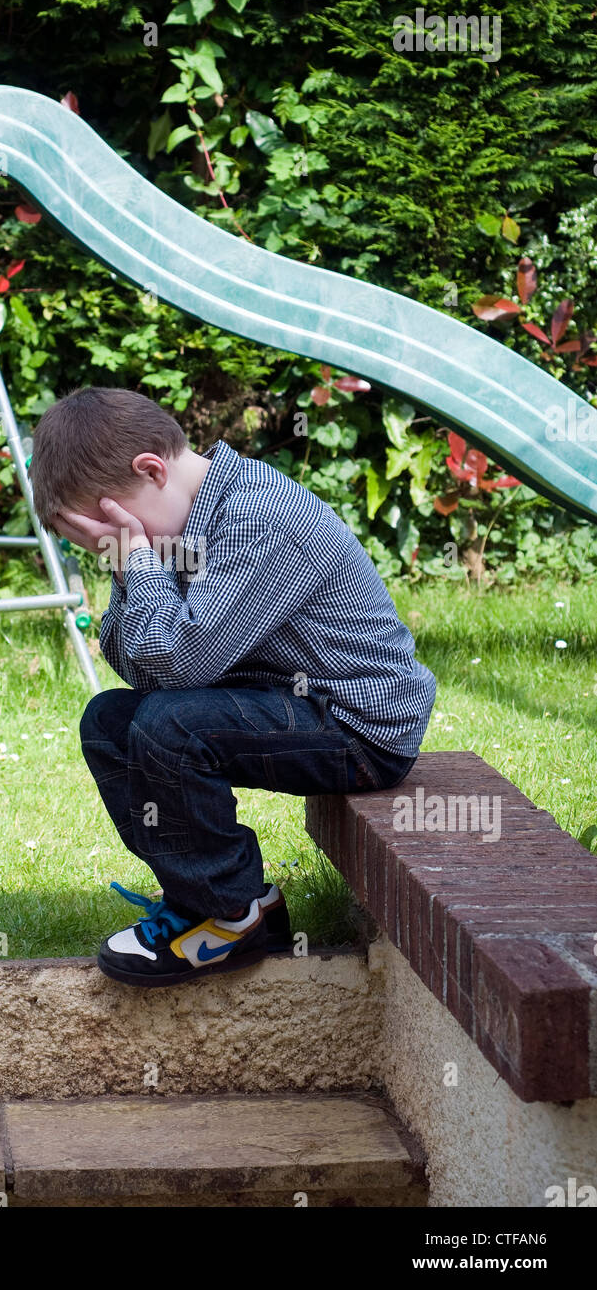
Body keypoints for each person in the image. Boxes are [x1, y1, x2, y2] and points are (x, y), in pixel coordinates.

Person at [28, 386, 436, 987]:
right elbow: (141, 666)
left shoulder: (258, 516)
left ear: (151, 470)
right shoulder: (177, 527)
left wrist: (138, 560)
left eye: (111, 529)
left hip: (356, 725)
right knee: (109, 721)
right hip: (288, 702)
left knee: (169, 726)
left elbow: (178, 662)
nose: (115, 547)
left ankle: (225, 916)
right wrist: (132, 559)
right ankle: (236, 903)